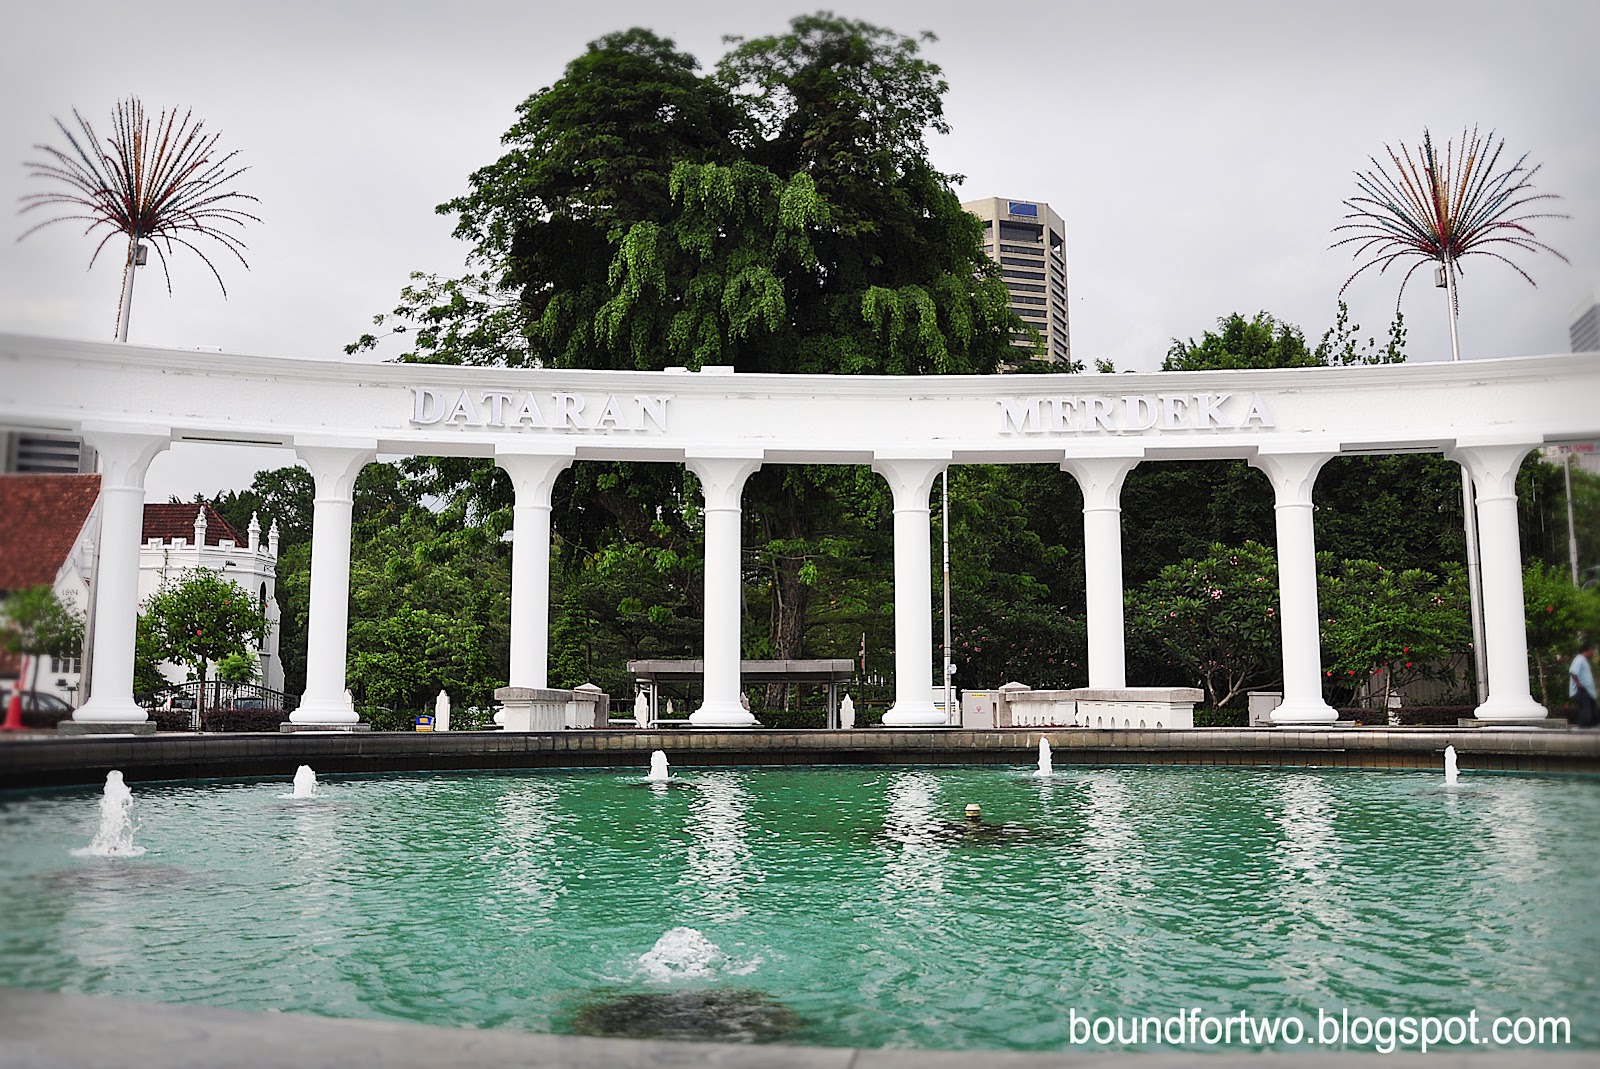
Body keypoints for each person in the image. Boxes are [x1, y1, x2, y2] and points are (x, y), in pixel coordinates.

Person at [1571, 641, 1597, 729]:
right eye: (1591, 651)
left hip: (1588, 690)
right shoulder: (1579, 659)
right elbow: (1573, 672)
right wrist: (1579, 684)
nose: (1592, 653)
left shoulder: (1583, 661)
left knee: (1593, 710)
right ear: (1586, 651)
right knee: (1586, 710)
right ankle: (1583, 728)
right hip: (1582, 689)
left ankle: (1592, 727)